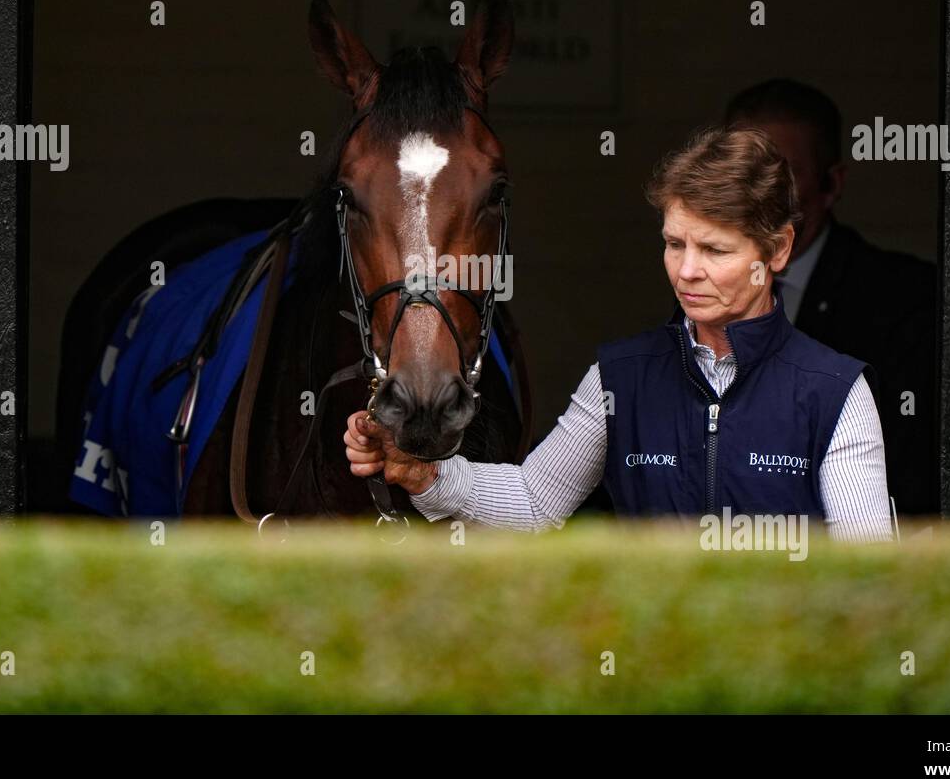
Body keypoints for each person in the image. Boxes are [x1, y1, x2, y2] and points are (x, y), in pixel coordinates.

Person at [343, 127, 893, 541]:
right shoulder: (620, 375)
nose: (686, 270)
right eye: (675, 244)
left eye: (715, 250)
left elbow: (866, 572)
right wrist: (422, 473)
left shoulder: (834, 391)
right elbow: (536, 503)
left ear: (776, 251)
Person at [724, 79, 938, 516]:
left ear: (831, 183)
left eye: (783, 173)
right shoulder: (704, 283)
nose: (758, 192)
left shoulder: (905, 298)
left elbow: (911, 473)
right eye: (741, 172)